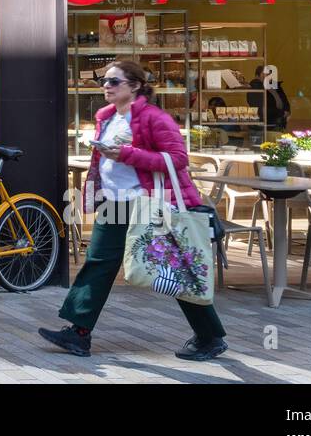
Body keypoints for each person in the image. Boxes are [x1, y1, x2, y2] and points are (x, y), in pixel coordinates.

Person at [40, 59, 228, 361]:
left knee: (176, 266)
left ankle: (209, 336)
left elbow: (177, 158)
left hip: (150, 203)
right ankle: (78, 333)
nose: (106, 86)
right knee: (98, 262)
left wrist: (128, 154)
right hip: (115, 202)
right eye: (105, 80)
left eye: (114, 81)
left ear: (136, 85)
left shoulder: (155, 118)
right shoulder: (107, 117)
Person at [248, 65, 291, 132]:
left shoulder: (276, 86)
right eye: (264, 75)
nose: (267, 77)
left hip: (278, 123)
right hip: (265, 125)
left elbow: (285, 100)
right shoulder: (256, 88)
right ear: (257, 76)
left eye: (269, 74)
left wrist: (287, 110)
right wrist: (282, 113)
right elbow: (260, 109)